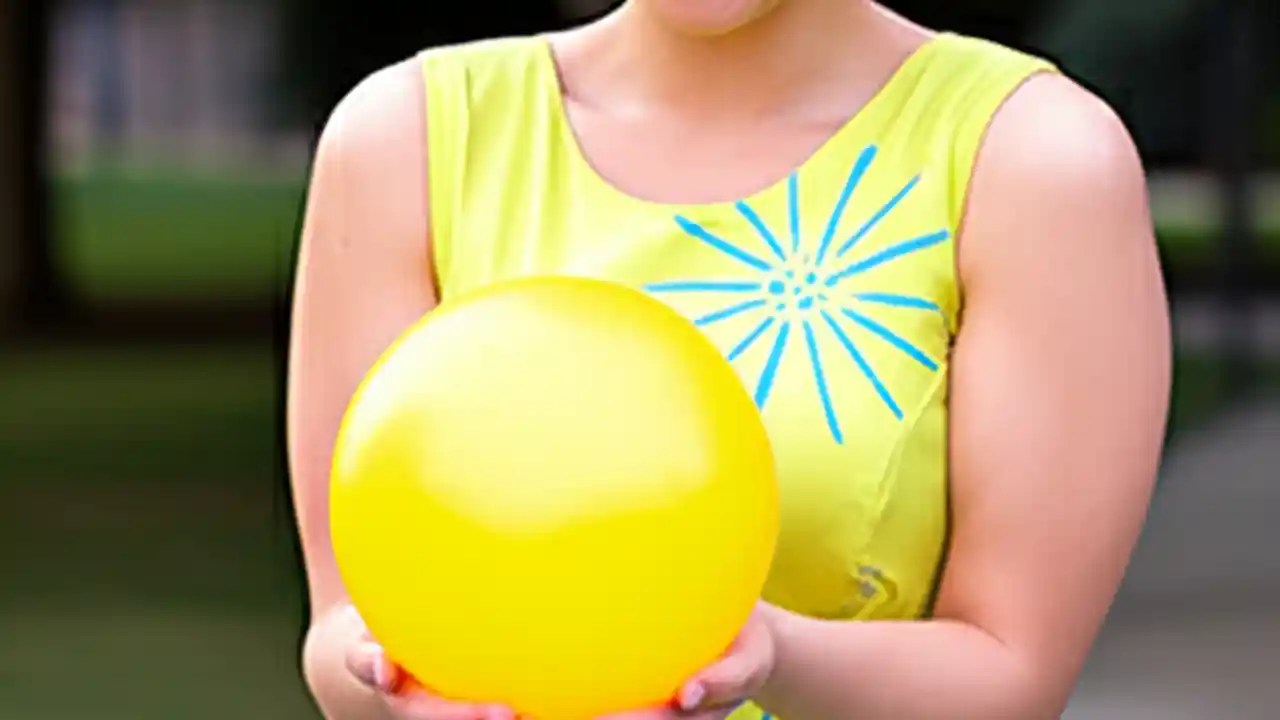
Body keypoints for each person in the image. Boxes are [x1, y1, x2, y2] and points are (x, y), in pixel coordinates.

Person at [287, 1, 1172, 718]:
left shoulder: (1030, 160)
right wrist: (398, 692)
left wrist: (768, 657)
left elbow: (1010, 677)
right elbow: (341, 630)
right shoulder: (408, 138)